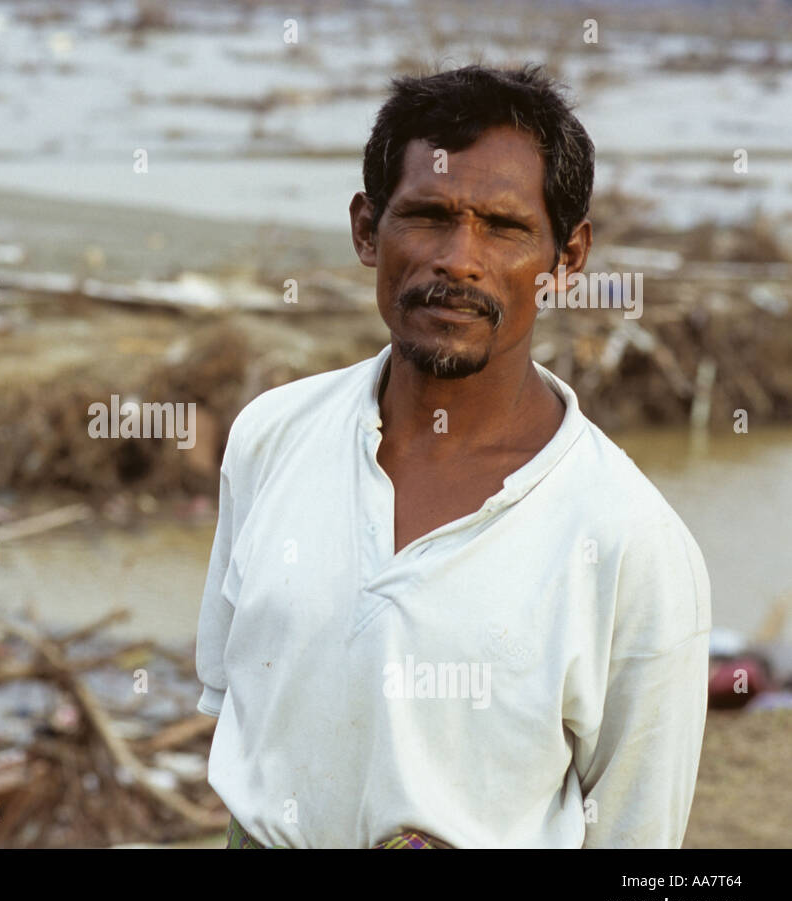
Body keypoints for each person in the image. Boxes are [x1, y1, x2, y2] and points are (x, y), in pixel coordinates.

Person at [195, 64, 711, 848]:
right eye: (429, 215)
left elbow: (638, 842)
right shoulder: (274, 436)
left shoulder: (630, 539)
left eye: (504, 228)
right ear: (368, 230)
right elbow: (243, 714)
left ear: (566, 259)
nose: (458, 260)